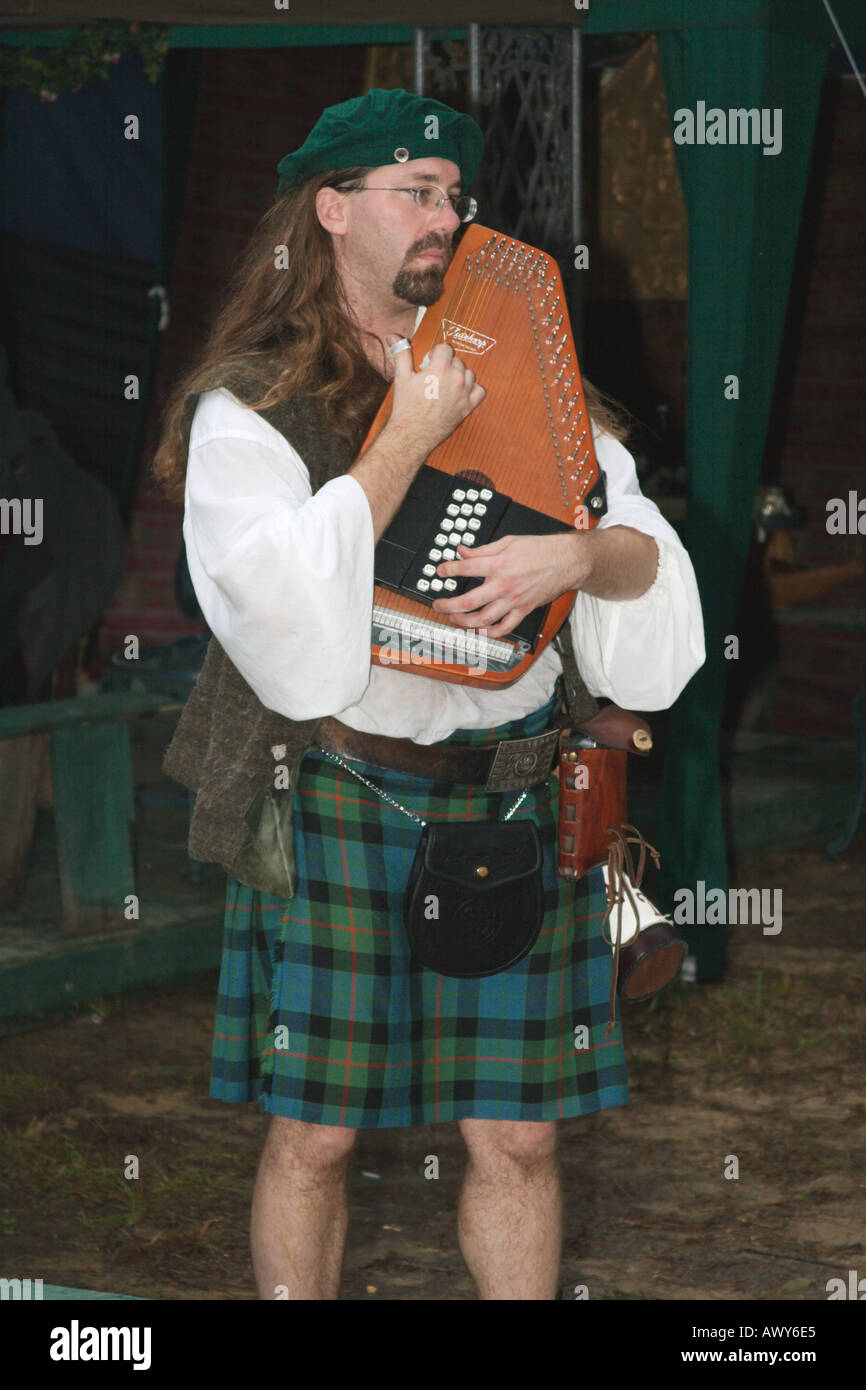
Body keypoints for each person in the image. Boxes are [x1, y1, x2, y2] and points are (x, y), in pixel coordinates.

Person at [153, 88, 705, 1301]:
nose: (447, 218)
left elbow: (644, 560)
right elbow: (280, 631)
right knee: (317, 1135)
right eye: (417, 192)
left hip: (512, 789)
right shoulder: (249, 408)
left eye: (455, 196)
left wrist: (579, 556)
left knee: (518, 1135)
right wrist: (404, 431)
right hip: (340, 791)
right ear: (331, 209)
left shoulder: (516, 365)